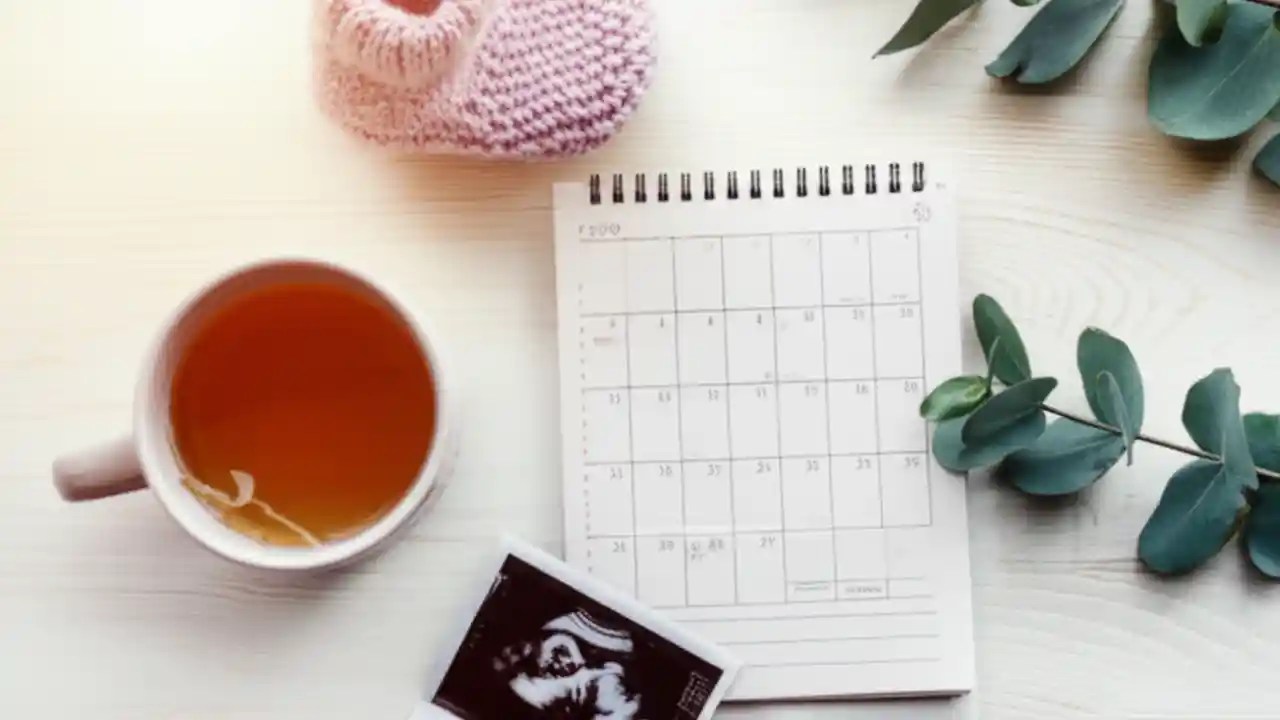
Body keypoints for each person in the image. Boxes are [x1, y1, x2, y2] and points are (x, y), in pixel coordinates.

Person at [494, 609, 642, 720]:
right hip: (593, 680)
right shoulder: (534, 681)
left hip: (598, 670)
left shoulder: (553, 639)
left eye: (516, 650)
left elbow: (575, 657)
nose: (515, 658)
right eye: (510, 659)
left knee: (607, 698)